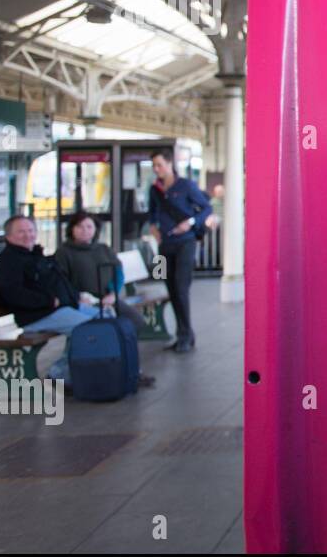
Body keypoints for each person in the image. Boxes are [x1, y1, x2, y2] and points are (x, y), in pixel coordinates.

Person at [0, 215, 100, 387]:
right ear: (9, 236)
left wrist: (76, 297)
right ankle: (59, 374)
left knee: (104, 317)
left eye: (30, 230)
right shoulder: (8, 262)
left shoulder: (34, 255)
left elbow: (59, 281)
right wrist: (49, 301)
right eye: (21, 231)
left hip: (59, 308)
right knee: (88, 328)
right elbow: (14, 294)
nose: (27, 235)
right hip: (36, 316)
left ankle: (89, 371)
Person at [54, 211, 155, 388]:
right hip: (82, 302)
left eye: (89, 226)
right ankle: (97, 369)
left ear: (95, 229)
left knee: (134, 322)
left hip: (107, 299)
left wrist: (113, 293)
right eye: (80, 226)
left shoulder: (103, 249)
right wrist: (77, 297)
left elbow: (117, 272)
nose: (85, 230)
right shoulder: (64, 252)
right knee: (104, 328)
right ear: (72, 229)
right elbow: (61, 280)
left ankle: (126, 368)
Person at [147, 148, 212, 353]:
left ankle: (185, 335)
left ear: (169, 164)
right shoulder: (154, 189)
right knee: (171, 289)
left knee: (181, 287)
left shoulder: (186, 186)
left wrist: (191, 222)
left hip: (186, 242)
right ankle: (183, 334)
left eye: (160, 165)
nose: (157, 169)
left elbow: (206, 208)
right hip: (165, 244)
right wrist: (153, 226)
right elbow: (152, 212)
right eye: (154, 166)